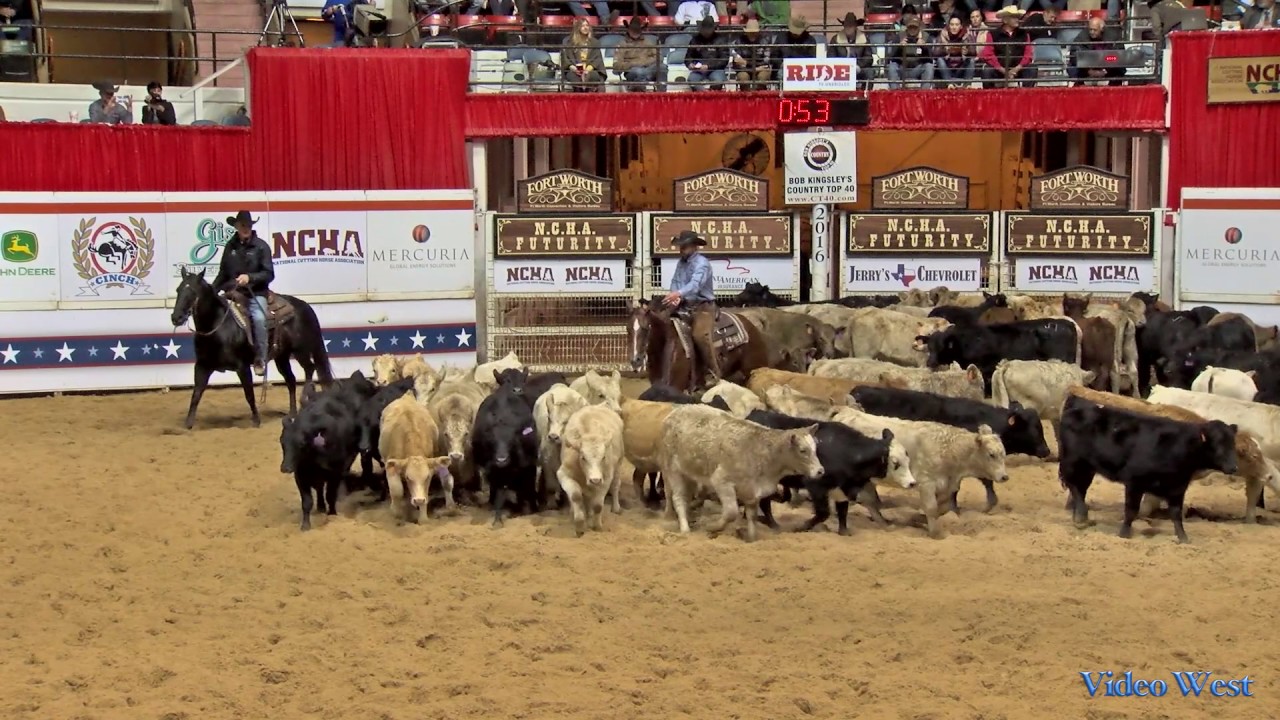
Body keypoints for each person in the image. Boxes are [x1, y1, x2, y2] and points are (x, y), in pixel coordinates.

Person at [213, 211, 275, 376]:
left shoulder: (261, 247)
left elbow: (269, 274)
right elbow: (223, 273)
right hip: (232, 292)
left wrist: (250, 277)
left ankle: (260, 358)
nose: (246, 228)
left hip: (256, 293)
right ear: (236, 227)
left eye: (248, 225)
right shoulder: (230, 247)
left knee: (259, 318)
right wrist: (212, 291)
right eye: (242, 225)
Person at [662, 230, 719, 387]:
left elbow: (696, 285)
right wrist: (675, 296)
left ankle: (712, 373)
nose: (681, 249)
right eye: (681, 246)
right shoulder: (681, 263)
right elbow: (675, 281)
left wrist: (678, 294)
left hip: (703, 307)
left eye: (685, 246)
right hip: (684, 305)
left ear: (694, 246)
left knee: (700, 336)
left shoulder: (702, 263)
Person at [613, 16, 661, 90]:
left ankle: (662, 95)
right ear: (628, 29)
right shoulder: (622, 44)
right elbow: (616, 66)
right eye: (633, 29)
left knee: (662, 67)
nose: (635, 31)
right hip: (632, 70)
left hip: (648, 68)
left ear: (641, 30)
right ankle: (641, 93)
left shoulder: (648, 42)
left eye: (637, 29)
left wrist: (644, 62)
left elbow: (659, 57)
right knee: (639, 71)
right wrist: (633, 64)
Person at [560, 17, 606, 92]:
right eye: (582, 26)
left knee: (594, 76)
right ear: (578, 28)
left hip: (590, 69)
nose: (585, 28)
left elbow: (597, 59)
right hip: (574, 69)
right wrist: (575, 69)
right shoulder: (569, 43)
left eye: (587, 25)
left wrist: (587, 70)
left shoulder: (595, 42)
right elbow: (565, 59)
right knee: (576, 79)